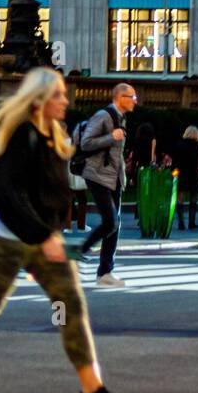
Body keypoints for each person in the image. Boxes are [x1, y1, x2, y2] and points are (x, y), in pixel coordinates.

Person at [0, 68, 142, 393]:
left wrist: (50, 234)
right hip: (3, 237)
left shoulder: (50, 133)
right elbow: (6, 193)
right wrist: (44, 237)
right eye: (57, 94)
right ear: (40, 100)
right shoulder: (20, 134)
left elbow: (49, 194)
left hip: (35, 236)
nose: (65, 100)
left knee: (68, 303)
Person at [77, 83, 137, 287]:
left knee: (115, 225)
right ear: (120, 97)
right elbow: (86, 143)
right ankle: (79, 251)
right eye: (132, 97)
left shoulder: (121, 118)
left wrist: (123, 176)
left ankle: (105, 273)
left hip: (114, 178)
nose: (135, 100)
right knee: (110, 221)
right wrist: (111, 137)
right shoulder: (103, 116)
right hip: (97, 175)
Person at [172, 125, 198, 231]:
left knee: (179, 197)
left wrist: (174, 173)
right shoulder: (197, 146)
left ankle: (181, 223)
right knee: (193, 198)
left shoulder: (178, 145)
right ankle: (192, 222)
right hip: (193, 174)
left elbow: (174, 162)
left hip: (181, 173)